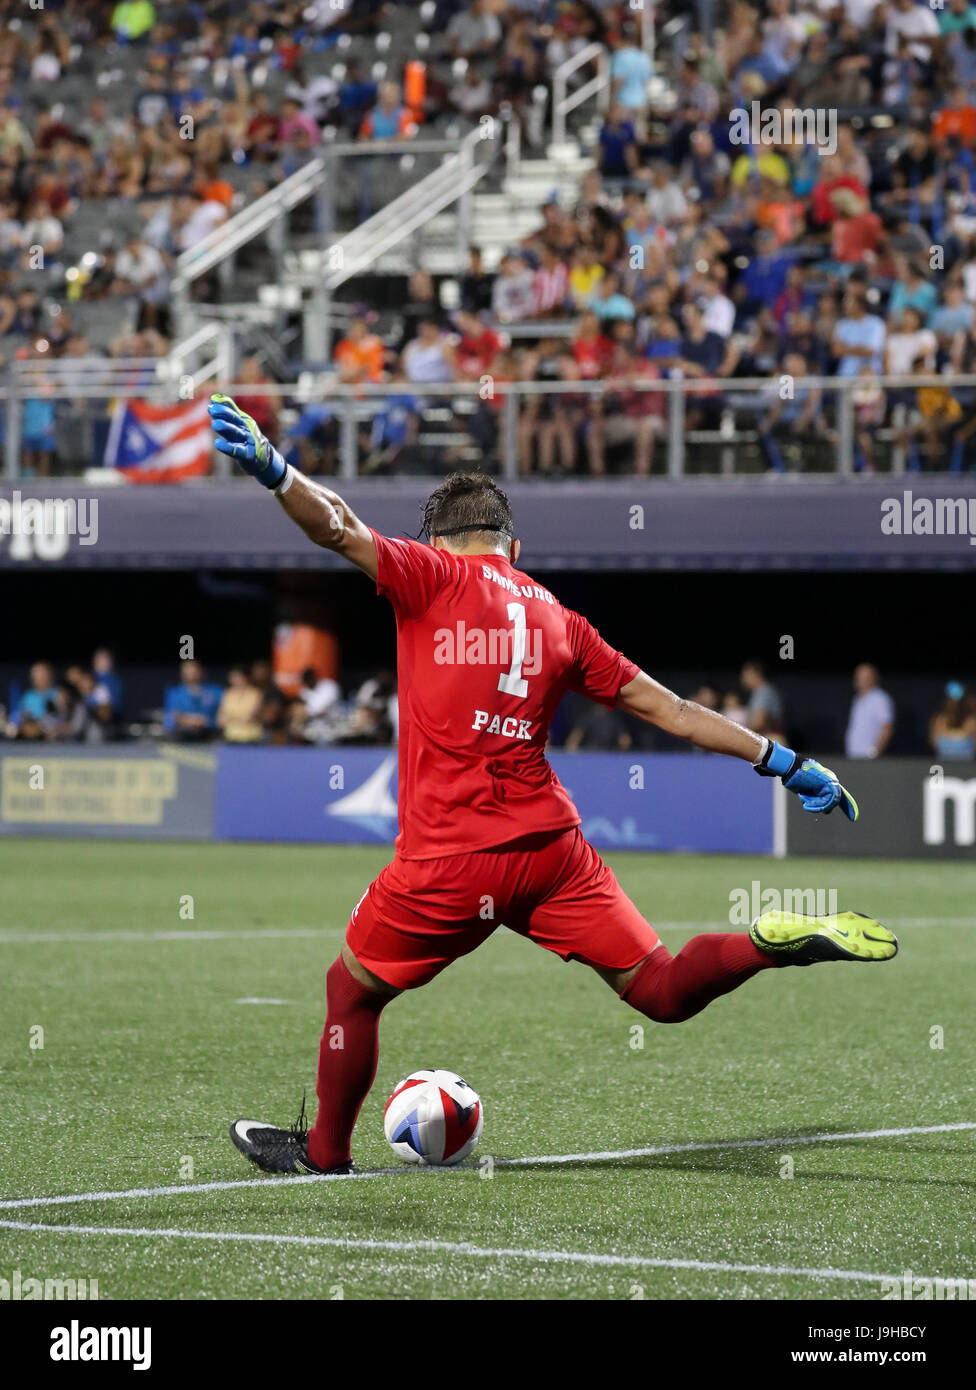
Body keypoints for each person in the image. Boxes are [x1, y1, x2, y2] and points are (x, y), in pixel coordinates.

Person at [207, 393, 896, 1178]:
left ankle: (324, 1157)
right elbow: (672, 711)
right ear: (514, 544)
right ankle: (767, 945)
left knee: (351, 990)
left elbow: (337, 524)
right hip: (552, 853)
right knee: (662, 990)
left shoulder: (429, 574)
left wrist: (275, 469)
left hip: (452, 859)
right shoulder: (561, 620)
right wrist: (786, 761)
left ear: (440, 539)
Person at [163, 660, 222, 742]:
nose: (192, 674)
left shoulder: (215, 691)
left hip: (209, 733)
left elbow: (222, 714)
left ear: (201, 671)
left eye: (194, 671)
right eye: (188, 671)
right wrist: (189, 721)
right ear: (182, 673)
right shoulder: (175, 692)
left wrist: (206, 721)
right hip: (182, 734)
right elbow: (171, 717)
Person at [845, 664, 895, 758]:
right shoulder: (857, 699)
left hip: (867, 759)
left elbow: (887, 728)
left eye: (865, 677)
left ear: (873, 678)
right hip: (853, 756)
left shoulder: (880, 698)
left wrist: (874, 753)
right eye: (858, 676)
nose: (860, 680)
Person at [930, 682, 976, 760]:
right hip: (944, 767)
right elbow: (934, 742)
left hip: (967, 768)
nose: (954, 704)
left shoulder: (971, 721)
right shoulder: (939, 720)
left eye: (957, 700)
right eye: (951, 700)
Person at [741, 661, 785, 738]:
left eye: (745, 675)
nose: (743, 679)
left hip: (770, 739)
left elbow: (759, 722)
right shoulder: (762, 691)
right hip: (768, 739)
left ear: (755, 674)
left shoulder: (763, 692)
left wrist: (738, 733)